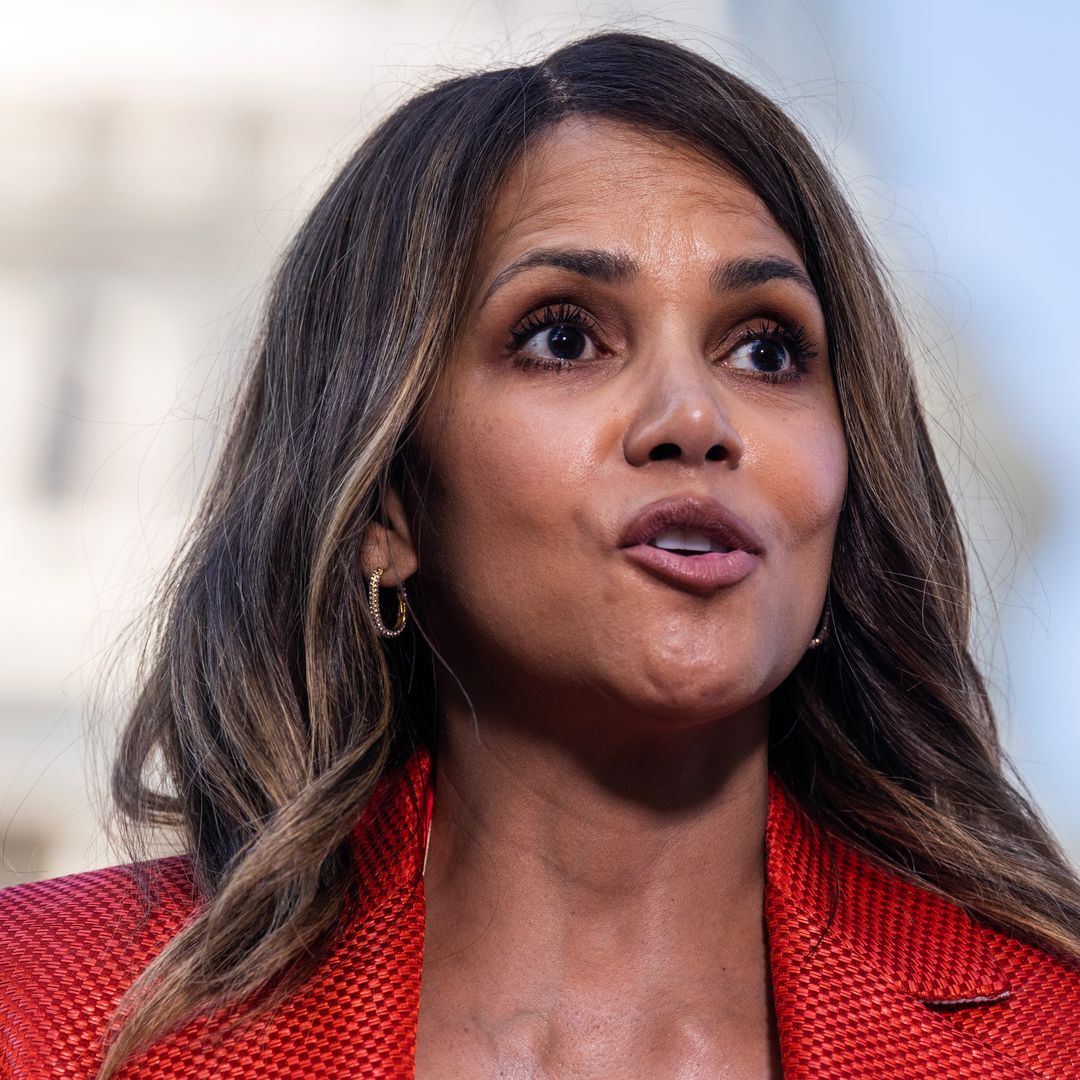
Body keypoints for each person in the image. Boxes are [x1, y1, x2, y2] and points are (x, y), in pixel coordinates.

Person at [2, 30, 1079, 1080]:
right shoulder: (42, 1015)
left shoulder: (1049, 1039)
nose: (693, 417)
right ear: (386, 503)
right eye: (564, 337)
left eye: (766, 348)